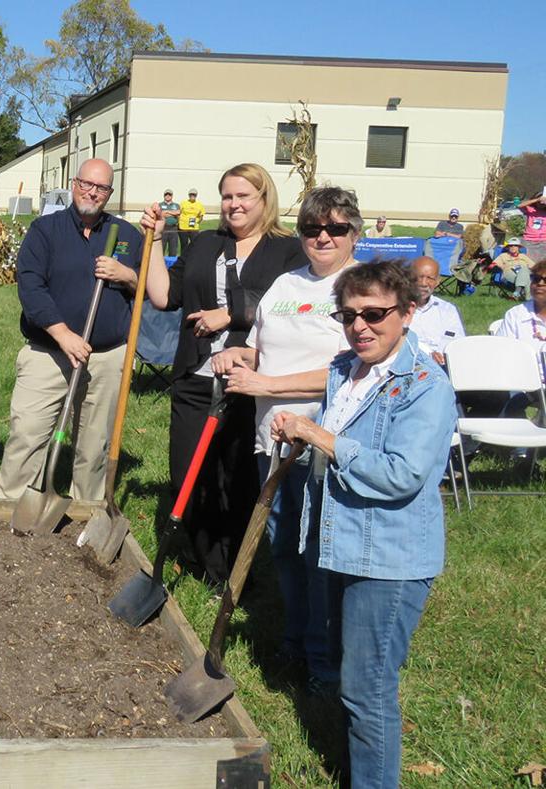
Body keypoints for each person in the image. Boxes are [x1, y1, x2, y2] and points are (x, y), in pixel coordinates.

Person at [271, 260, 455, 789]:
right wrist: (303, 432)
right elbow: (342, 435)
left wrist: (321, 437)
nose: (360, 326)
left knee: (367, 688)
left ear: (408, 313)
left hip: (389, 559)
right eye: (349, 315)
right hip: (341, 543)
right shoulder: (344, 370)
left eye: (375, 314)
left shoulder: (424, 386)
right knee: (348, 673)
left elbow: (402, 474)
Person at [211, 186, 361, 696]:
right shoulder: (285, 283)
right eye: (313, 228)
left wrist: (268, 385)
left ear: (354, 233)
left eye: (336, 228)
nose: (323, 237)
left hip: (322, 443)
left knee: (318, 553)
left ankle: (324, 662)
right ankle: (295, 640)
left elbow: (350, 371)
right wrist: (238, 357)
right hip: (270, 440)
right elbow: (261, 349)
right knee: (282, 549)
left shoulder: (359, 289)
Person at [141, 162, 306, 587]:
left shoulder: (287, 251)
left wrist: (228, 314)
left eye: (243, 196)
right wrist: (155, 242)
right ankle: (201, 557)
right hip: (195, 376)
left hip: (250, 380)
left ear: (264, 199)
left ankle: (231, 573)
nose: (234, 204)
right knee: (187, 474)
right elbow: (163, 295)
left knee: (236, 480)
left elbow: (291, 306)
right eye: (227, 196)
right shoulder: (205, 243)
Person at [0, 158, 143, 500]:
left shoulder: (127, 235)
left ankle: (85, 508)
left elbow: (150, 289)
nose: (92, 192)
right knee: (28, 433)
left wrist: (127, 275)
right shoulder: (45, 231)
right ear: (74, 184)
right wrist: (62, 334)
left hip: (106, 356)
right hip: (48, 352)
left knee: (95, 441)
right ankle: (12, 504)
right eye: (86, 184)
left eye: (101, 187)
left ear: (110, 192)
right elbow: (31, 288)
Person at [408, 256, 465, 365]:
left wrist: (441, 355)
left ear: (437, 281)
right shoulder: (396, 308)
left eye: (430, 278)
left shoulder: (447, 310)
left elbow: (457, 340)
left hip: (445, 365)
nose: (423, 283)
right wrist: (428, 354)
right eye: (419, 277)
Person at [517, 193, 546, 264]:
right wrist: (537, 199)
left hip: (543, 241)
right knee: (528, 262)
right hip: (529, 240)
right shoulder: (530, 210)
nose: (541, 204)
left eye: (543, 203)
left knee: (541, 263)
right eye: (539, 203)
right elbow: (519, 205)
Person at [177, 187, 204, 253]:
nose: (192, 196)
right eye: (191, 194)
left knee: (194, 244)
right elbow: (178, 213)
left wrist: (198, 222)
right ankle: (183, 257)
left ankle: (193, 257)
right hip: (183, 227)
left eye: (194, 195)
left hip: (194, 228)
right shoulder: (183, 203)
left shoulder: (199, 204)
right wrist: (179, 221)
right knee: (184, 244)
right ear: (189, 195)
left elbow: (201, 215)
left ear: (196, 196)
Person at [159, 189, 180, 257]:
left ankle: (172, 263)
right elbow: (161, 214)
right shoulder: (160, 205)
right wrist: (173, 213)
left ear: (172, 196)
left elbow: (178, 212)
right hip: (163, 228)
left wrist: (167, 211)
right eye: (166, 194)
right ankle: (160, 262)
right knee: (161, 248)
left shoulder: (176, 205)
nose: (168, 196)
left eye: (169, 194)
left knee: (173, 249)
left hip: (173, 228)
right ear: (164, 196)